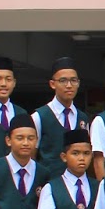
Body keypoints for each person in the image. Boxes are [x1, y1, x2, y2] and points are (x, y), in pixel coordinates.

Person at [32, 57, 88, 188]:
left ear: (78, 83)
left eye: (73, 80)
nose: (69, 85)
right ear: (52, 84)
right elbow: (31, 156)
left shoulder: (83, 118)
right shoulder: (39, 116)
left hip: (78, 186)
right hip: (48, 185)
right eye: (63, 81)